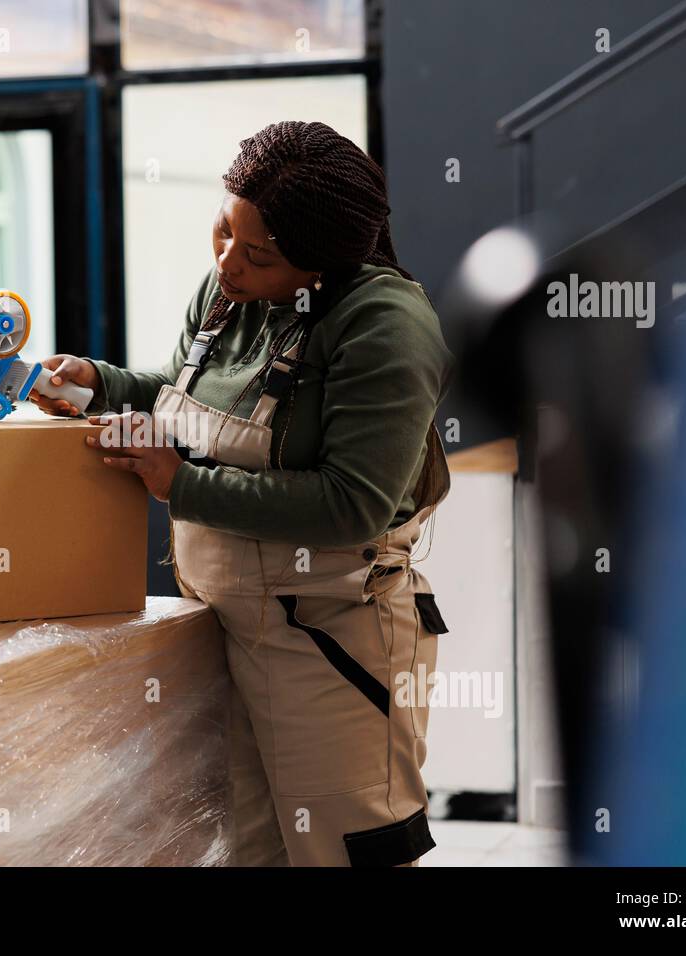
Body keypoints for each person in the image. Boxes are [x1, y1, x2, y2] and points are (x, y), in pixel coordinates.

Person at [32, 121, 454, 867]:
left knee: (340, 847)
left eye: (260, 255)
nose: (229, 262)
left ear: (324, 261)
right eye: (224, 231)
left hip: (330, 636)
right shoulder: (226, 297)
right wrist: (101, 385)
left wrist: (184, 484)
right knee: (244, 844)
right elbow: (177, 396)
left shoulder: (384, 326)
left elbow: (348, 504)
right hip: (219, 621)